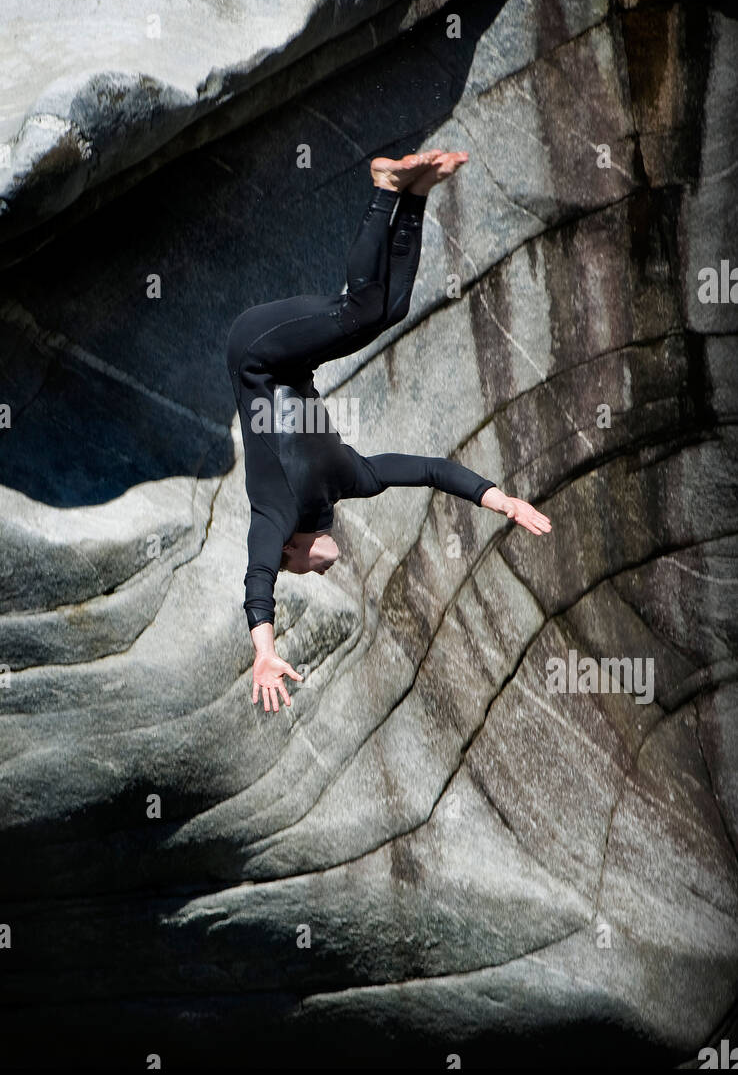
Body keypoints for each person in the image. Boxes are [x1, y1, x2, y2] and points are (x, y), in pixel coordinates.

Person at [226, 150, 552, 713]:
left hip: (256, 352)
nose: (323, 569)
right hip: (289, 362)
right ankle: (418, 190)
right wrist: (499, 501)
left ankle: (385, 186)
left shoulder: (273, 518)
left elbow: (258, 584)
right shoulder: (349, 481)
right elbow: (427, 469)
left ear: (290, 554)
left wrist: (264, 651)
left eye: (303, 570)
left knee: (362, 310)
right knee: (390, 307)